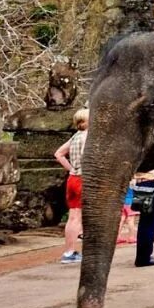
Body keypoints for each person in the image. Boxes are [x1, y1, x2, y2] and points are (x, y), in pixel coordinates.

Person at [53, 108, 88, 264]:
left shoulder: (75, 137)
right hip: (83, 178)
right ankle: (71, 251)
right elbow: (85, 156)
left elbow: (58, 154)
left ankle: (69, 251)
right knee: (78, 218)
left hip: (72, 178)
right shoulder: (87, 137)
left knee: (73, 216)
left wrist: (71, 168)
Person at [131, 169, 154, 267]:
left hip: (141, 184)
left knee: (144, 222)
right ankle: (144, 258)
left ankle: (142, 256)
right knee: (151, 223)